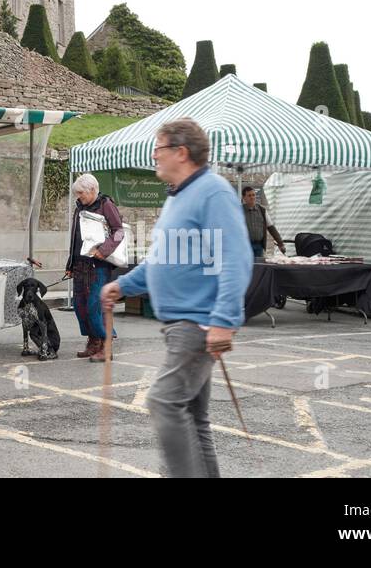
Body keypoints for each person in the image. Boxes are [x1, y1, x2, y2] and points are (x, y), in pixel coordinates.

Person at [102, 118, 252, 478]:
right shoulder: (179, 196)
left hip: (196, 322)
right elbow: (162, 261)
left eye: (158, 149)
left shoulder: (212, 192)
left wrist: (223, 321)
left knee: (164, 402)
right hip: (182, 324)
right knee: (193, 417)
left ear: (180, 153)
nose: (154, 156)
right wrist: (123, 286)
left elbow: (235, 257)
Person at [64, 173, 123, 361]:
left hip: (98, 265)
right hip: (80, 264)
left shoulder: (106, 204)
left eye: (80, 193)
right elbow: (75, 238)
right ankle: (93, 341)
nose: (78, 196)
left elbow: (119, 232)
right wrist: (70, 264)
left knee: (94, 306)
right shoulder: (79, 208)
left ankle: (106, 345)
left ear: (92, 190)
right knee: (79, 306)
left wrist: (104, 250)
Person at [241, 185, 285, 260]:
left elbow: (271, 228)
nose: (252, 197)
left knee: (259, 268)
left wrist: (280, 243)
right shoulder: (238, 211)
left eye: (253, 195)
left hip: (259, 246)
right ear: (244, 197)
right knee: (247, 268)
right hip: (244, 246)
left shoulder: (262, 210)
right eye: (249, 195)